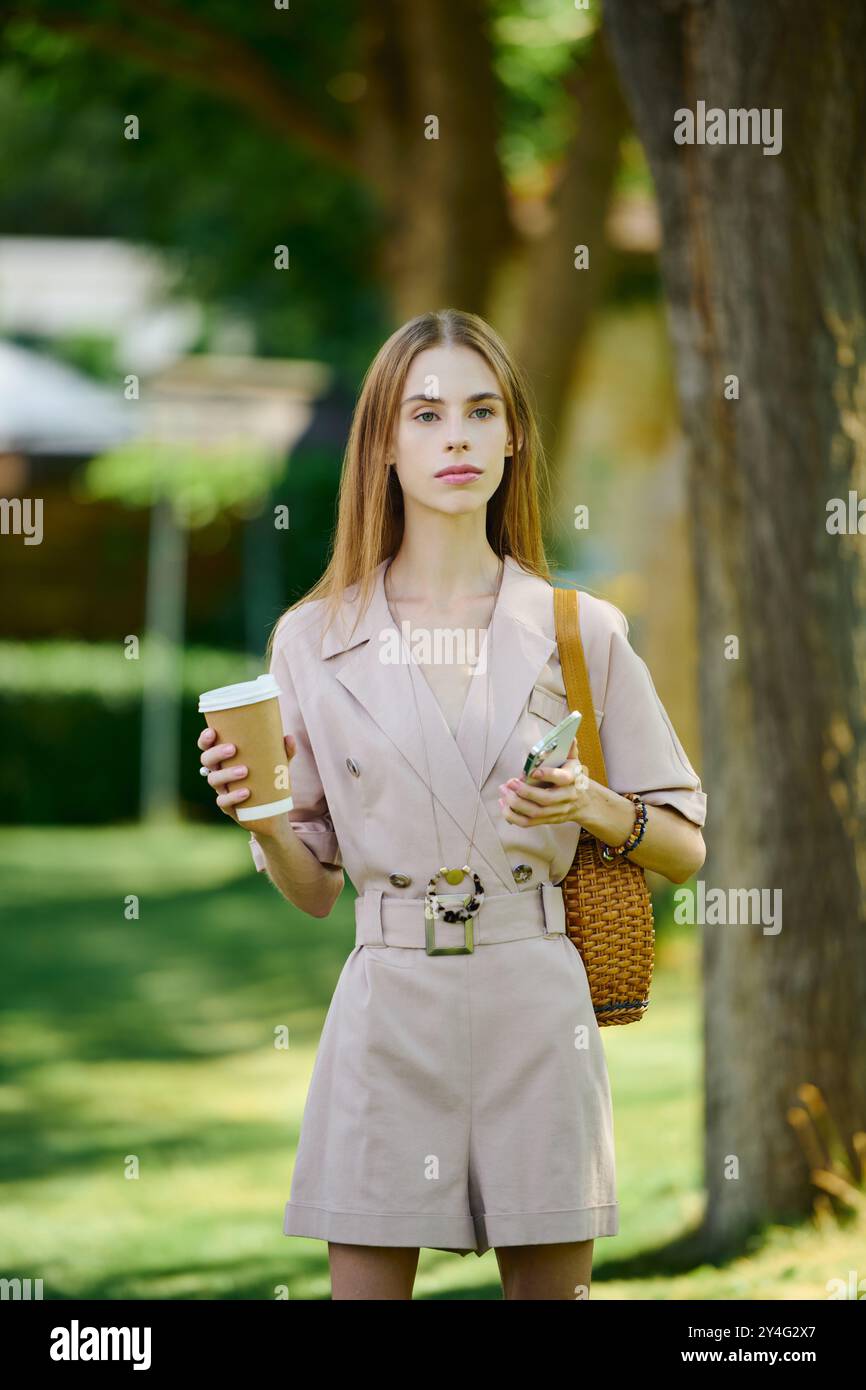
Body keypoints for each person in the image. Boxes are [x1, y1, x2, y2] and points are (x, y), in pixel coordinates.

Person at [197, 308, 707, 1300]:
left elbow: (685, 846)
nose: (456, 437)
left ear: (513, 434)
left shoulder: (580, 630)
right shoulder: (310, 638)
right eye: (425, 415)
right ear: (383, 443)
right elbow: (311, 893)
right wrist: (258, 815)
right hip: (386, 1006)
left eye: (479, 411)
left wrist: (590, 805)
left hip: (536, 1002)